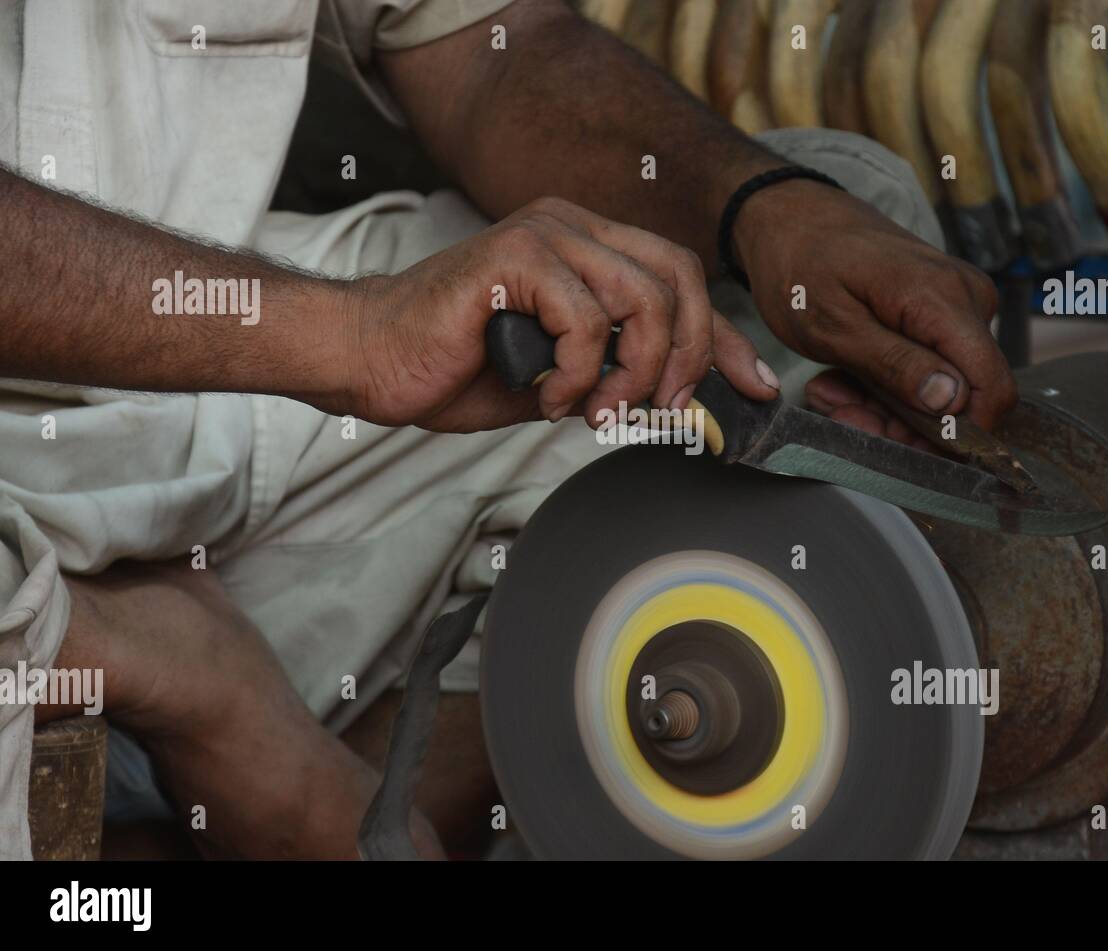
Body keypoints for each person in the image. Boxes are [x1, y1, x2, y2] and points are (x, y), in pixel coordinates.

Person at [0, 0, 1013, 859]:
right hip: (98, 432)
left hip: (195, 348)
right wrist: (353, 339)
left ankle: (408, 806)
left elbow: (489, 50)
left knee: (685, 316)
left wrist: (761, 206)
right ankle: (189, 686)